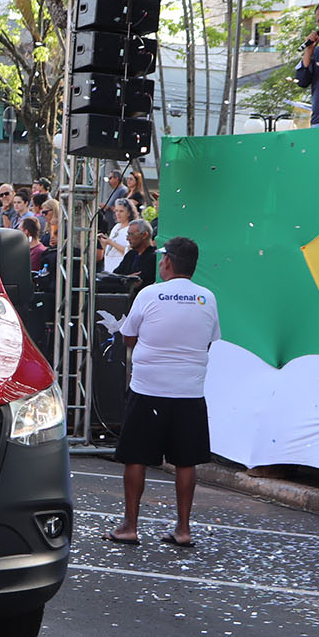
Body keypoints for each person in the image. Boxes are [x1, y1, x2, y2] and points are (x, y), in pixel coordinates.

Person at [106, 236, 220, 549]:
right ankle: (183, 529)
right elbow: (208, 341)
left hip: (149, 388)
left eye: (162, 258)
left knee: (136, 457)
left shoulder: (149, 293)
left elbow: (128, 336)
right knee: (186, 462)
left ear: (167, 262)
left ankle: (130, 526)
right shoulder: (207, 298)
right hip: (189, 390)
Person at [116, 218, 158, 301]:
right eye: (128, 235)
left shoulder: (154, 256)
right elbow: (115, 274)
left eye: (131, 235)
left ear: (144, 235)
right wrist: (127, 278)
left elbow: (144, 280)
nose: (128, 238)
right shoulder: (131, 254)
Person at [98, 199, 133, 272]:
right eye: (116, 211)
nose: (118, 214)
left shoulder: (131, 228)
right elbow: (108, 249)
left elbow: (129, 251)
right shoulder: (116, 226)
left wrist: (111, 242)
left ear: (129, 213)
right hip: (108, 265)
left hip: (120, 266)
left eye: (121, 211)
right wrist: (103, 241)